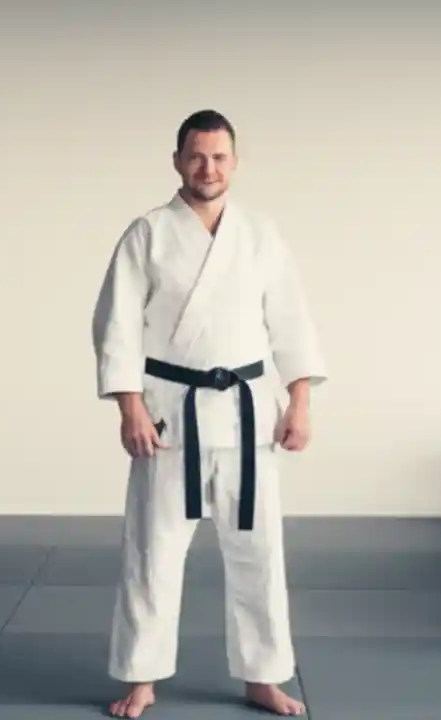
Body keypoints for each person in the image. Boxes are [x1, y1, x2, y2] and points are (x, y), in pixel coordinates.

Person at [91, 109, 326, 718]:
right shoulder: (147, 233)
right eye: (197, 156)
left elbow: (292, 321)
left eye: (220, 157)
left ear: (235, 162)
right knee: (153, 551)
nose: (208, 168)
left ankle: (263, 675)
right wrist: (130, 407)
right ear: (176, 160)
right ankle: (141, 678)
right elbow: (115, 327)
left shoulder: (261, 233)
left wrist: (299, 400)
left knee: (260, 552)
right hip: (169, 415)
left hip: (248, 418)